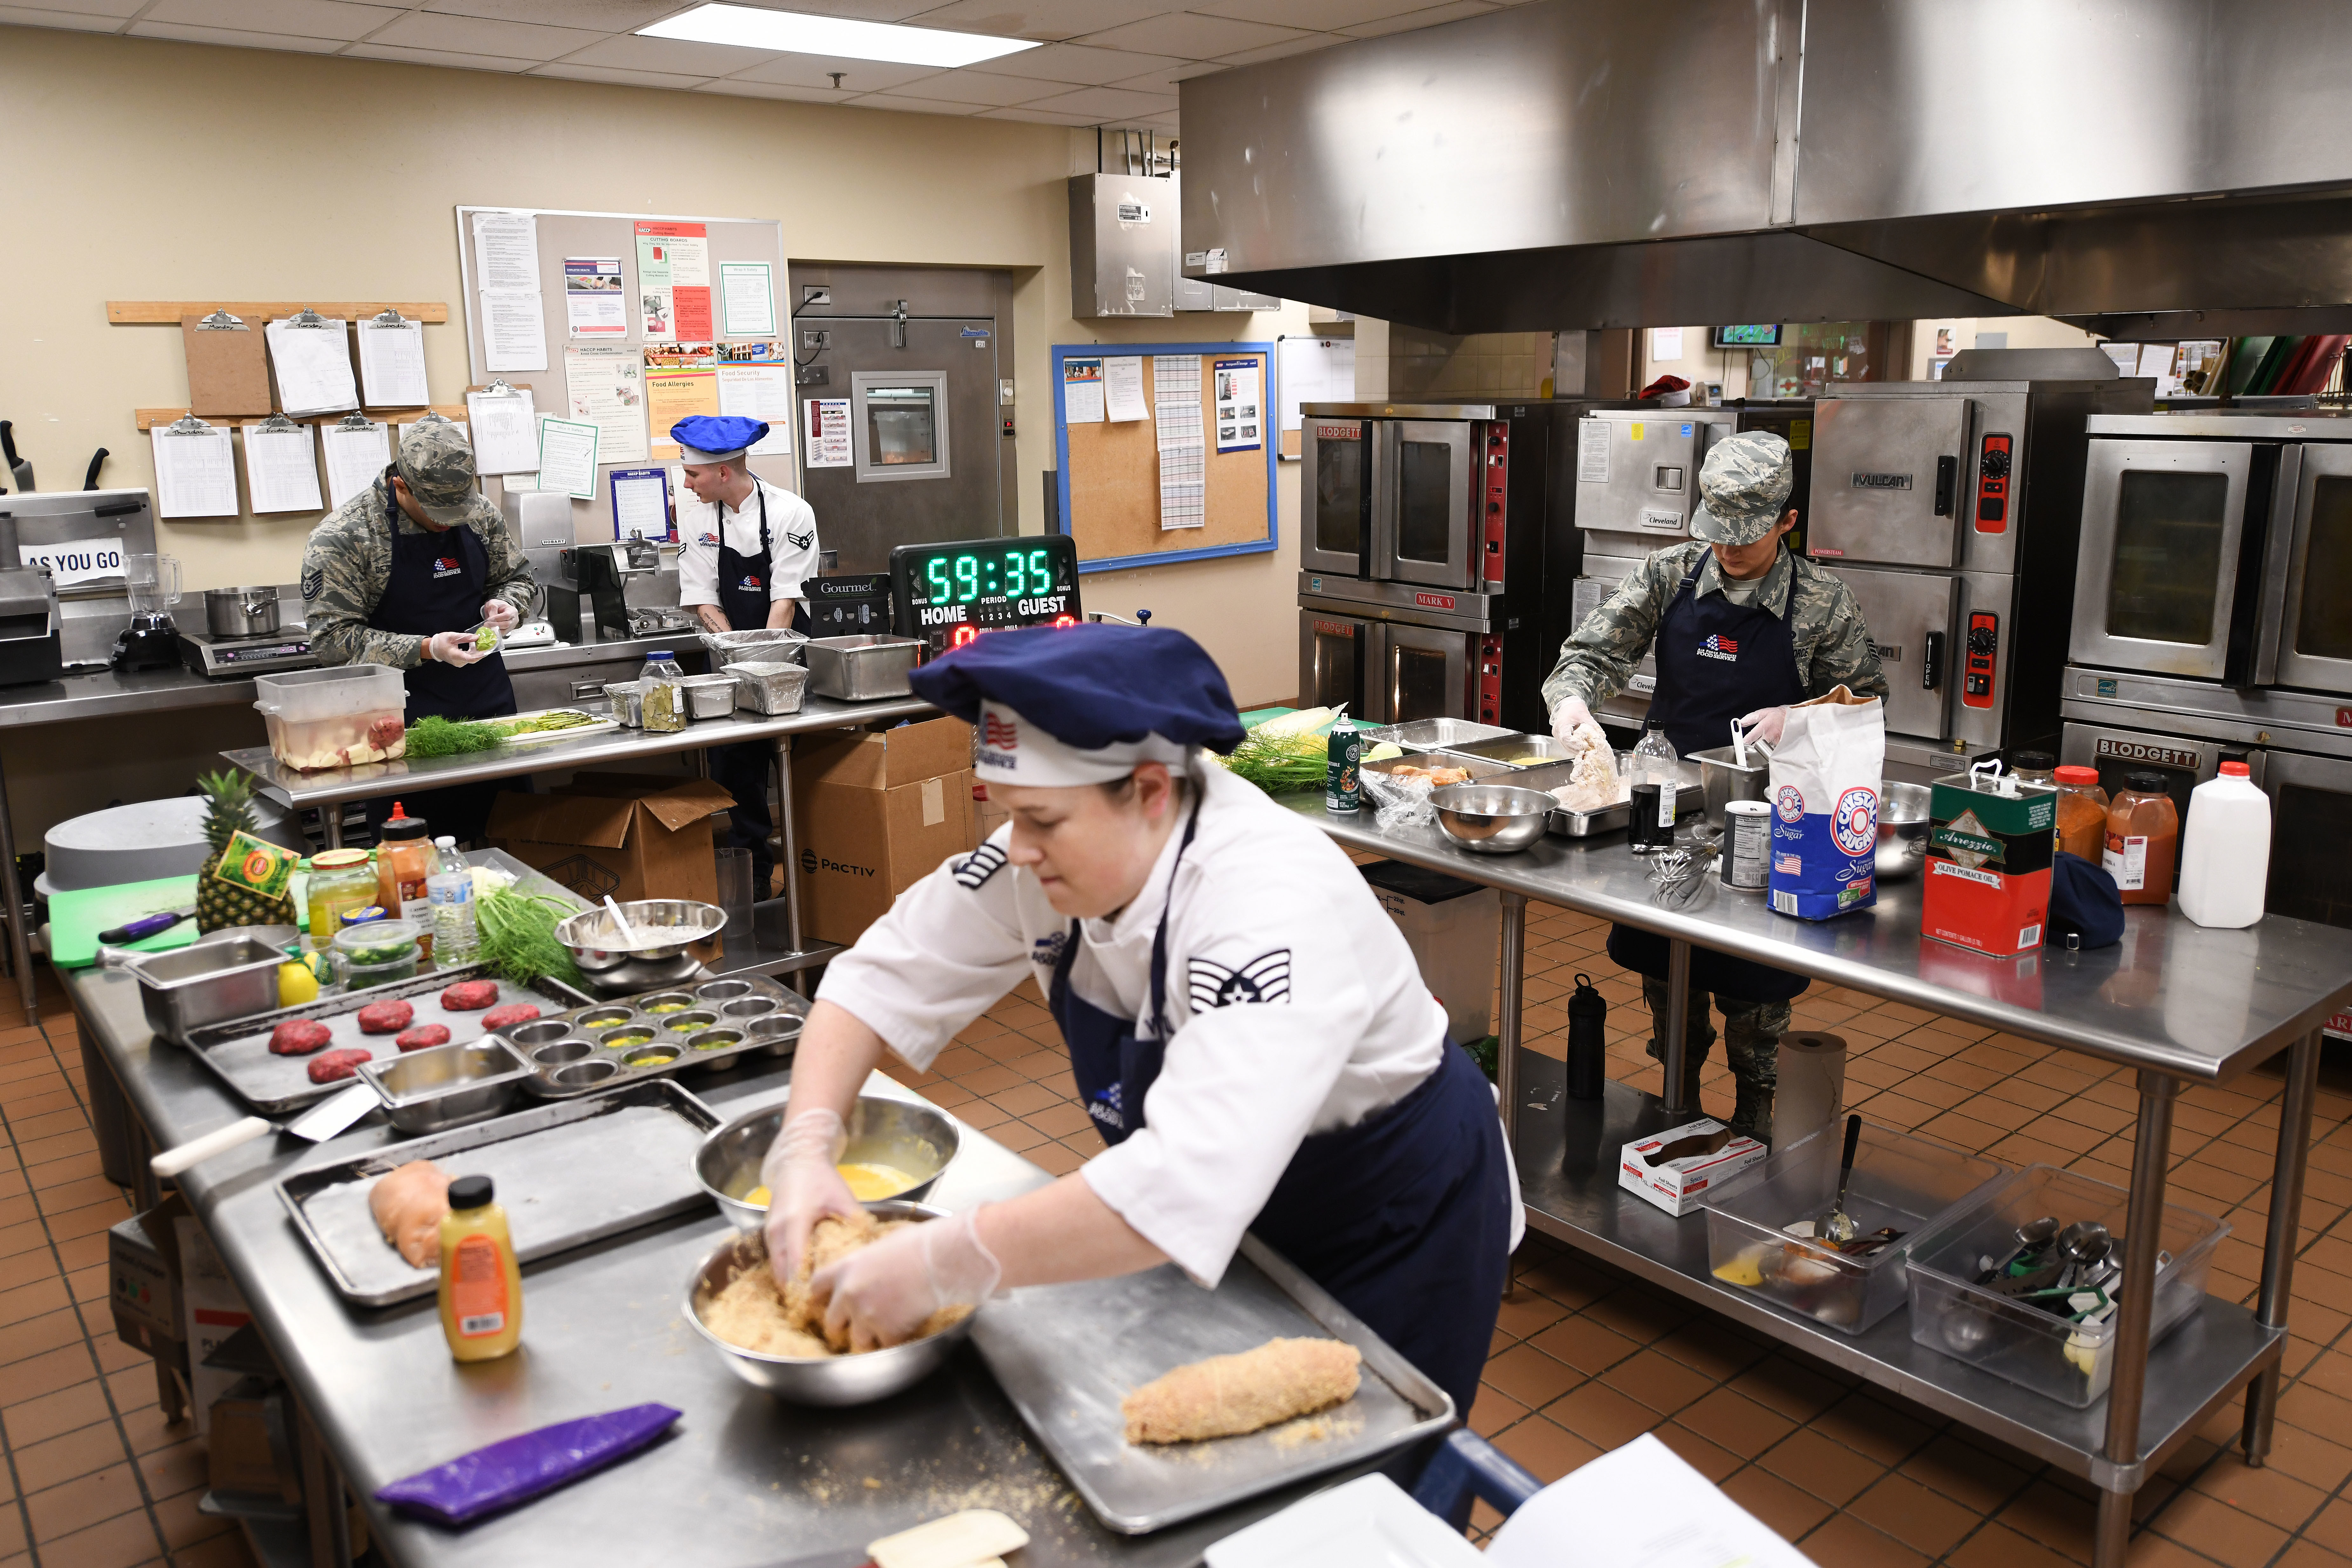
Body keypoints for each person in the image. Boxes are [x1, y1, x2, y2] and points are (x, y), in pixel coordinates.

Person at [759, 625, 1515, 1417]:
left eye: (1043, 820)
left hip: (1389, 1217)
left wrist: (943, 1261)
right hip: (1233, 1206)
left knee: (1359, 1496)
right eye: (1010, 814)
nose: (1018, 848)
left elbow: (1181, 1184)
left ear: (1153, 790)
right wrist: (807, 1143)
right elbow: (877, 977)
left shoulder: (1266, 904)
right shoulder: (1045, 849)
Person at [1542, 431, 1887, 1141]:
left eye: (1747, 537)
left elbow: (1866, 712)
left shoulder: (1823, 603)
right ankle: (1679, 1119)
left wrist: (1801, 718)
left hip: (1772, 834)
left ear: (1789, 520)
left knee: (1755, 1012)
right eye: (1718, 534)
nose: (1728, 551)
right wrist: (1572, 704)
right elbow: (1590, 653)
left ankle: (1758, 1135)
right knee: (1671, 993)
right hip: (1669, 829)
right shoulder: (1669, 575)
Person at [301, 418, 541, 844]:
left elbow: (520, 579)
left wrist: (510, 605)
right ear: (401, 486)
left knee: (513, 845)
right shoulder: (347, 537)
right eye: (437, 513)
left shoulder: (479, 513)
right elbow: (332, 640)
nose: (448, 523)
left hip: (487, 710)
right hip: (401, 728)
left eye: (457, 511)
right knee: (416, 864)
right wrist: (428, 648)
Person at [671, 414, 820, 898]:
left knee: (803, 767)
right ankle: (756, 874)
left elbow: (785, 598)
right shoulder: (695, 518)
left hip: (791, 660)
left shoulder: (790, 512)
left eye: (693, 475)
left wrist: (763, 665)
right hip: (734, 660)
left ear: (724, 473)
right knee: (737, 768)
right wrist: (739, 666)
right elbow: (702, 597)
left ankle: (819, 868)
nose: (687, 484)